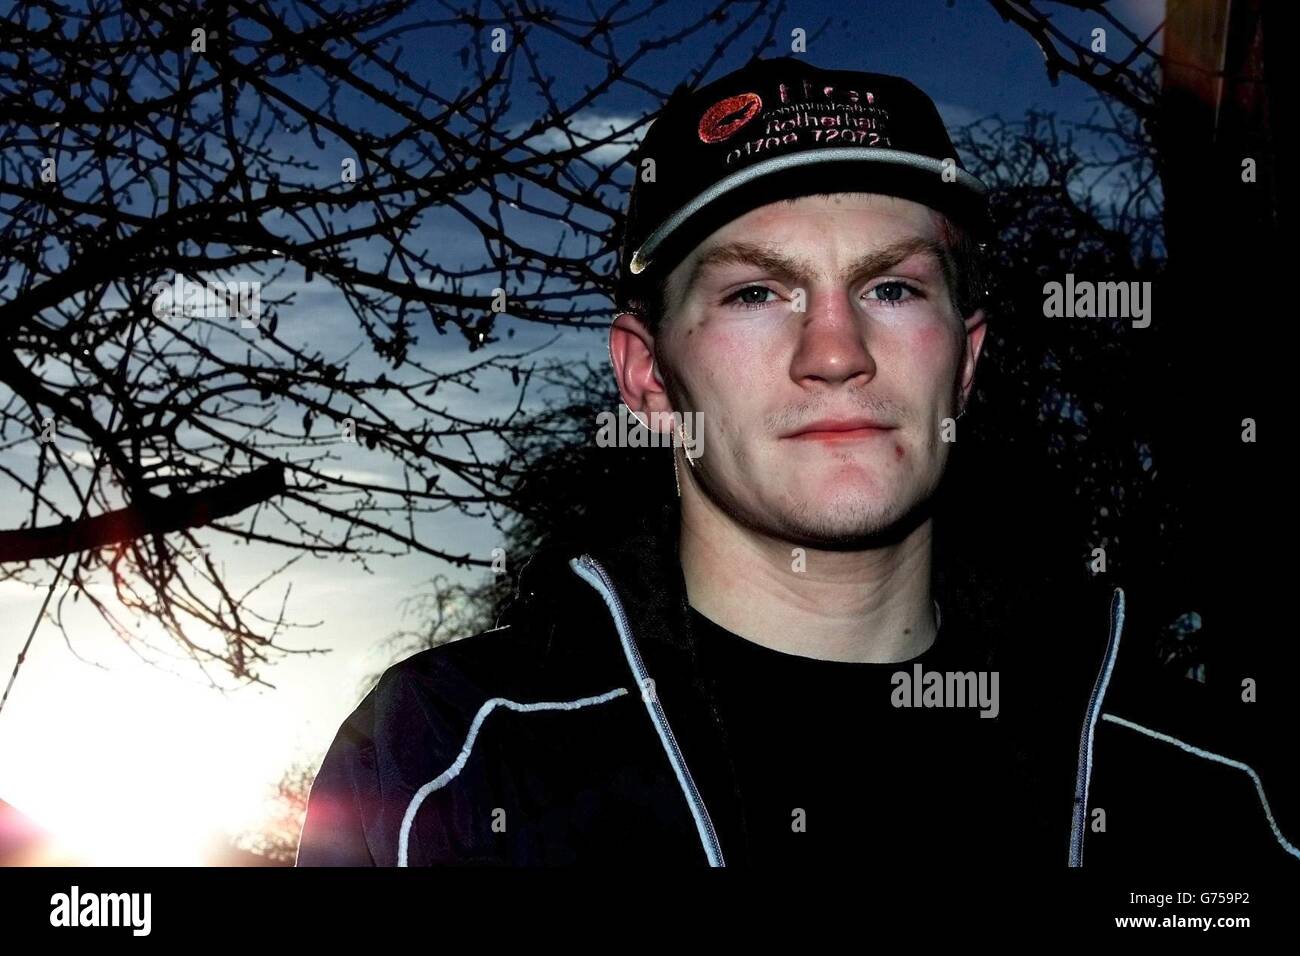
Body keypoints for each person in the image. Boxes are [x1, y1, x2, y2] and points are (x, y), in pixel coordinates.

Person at [296, 56, 1295, 868]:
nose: (834, 349)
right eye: (755, 293)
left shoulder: (1199, 775)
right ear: (646, 376)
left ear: (967, 361)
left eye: (892, 287)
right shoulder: (454, 761)